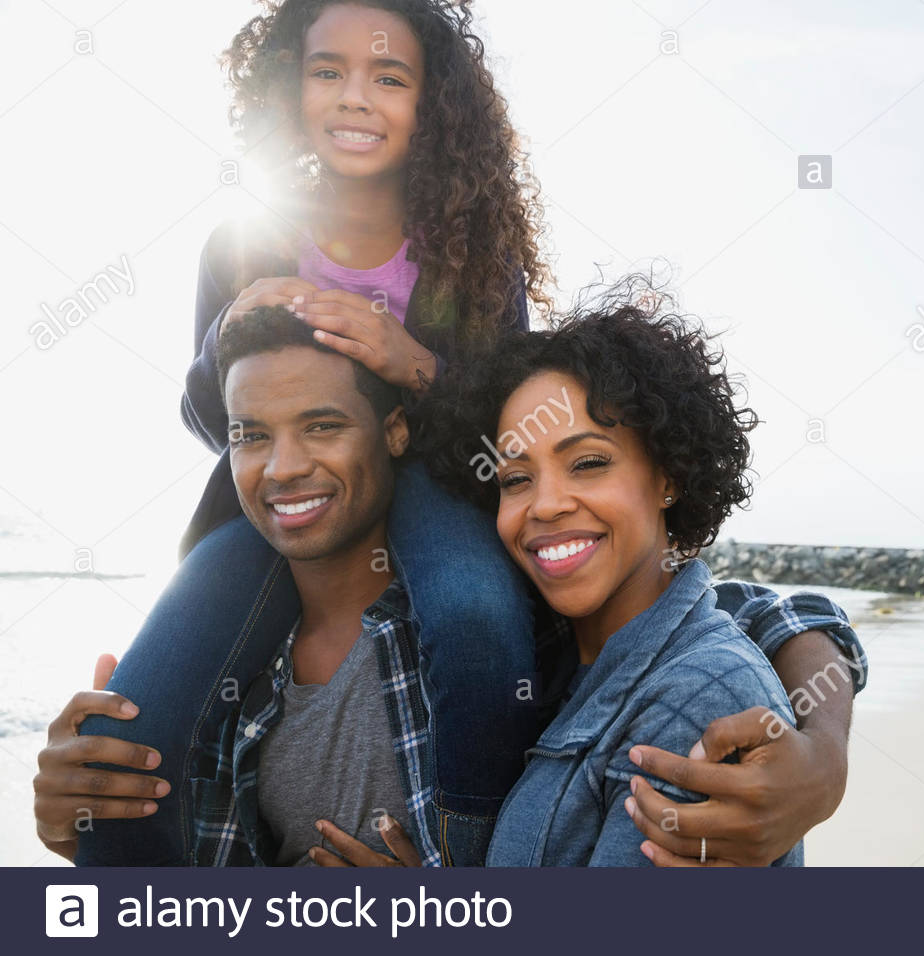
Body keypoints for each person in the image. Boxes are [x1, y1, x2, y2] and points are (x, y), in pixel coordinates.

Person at [39, 0, 866, 866]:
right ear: (288, 91)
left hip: (441, 477)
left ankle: (462, 841)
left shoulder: (471, 264)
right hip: (267, 533)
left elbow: (519, 425)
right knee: (136, 712)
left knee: (473, 610)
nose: (356, 97)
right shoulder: (245, 242)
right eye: (327, 71)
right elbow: (210, 415)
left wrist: (412, 363)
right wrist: (78, 822)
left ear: (432, 110)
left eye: (389, 77)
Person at [407, 290, 811, 865]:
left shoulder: (699, 702)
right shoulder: (553, 656)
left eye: (589, 463)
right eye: (515, 479)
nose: (544, 505)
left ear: (668, 475)